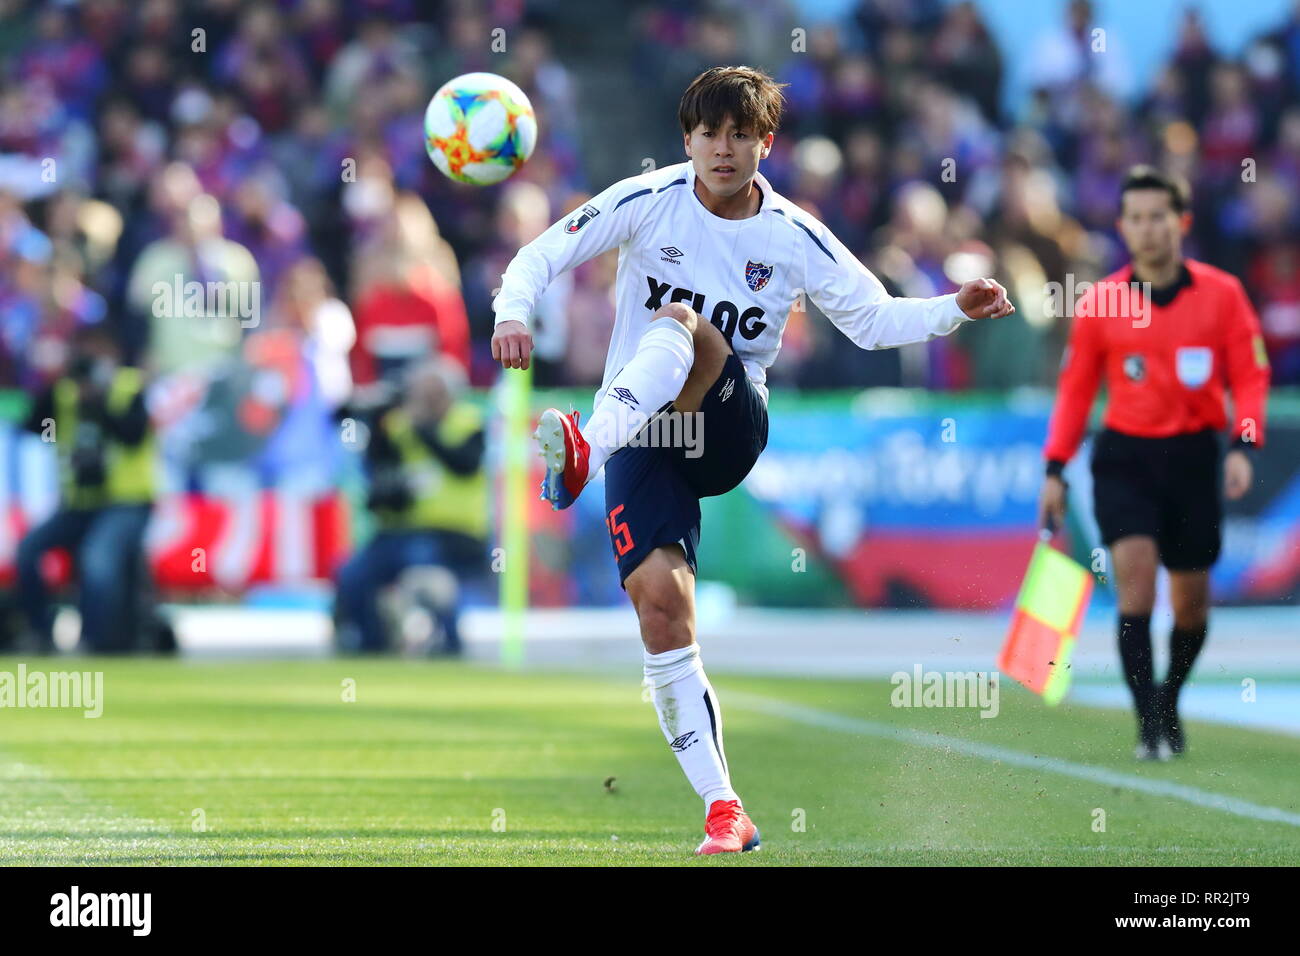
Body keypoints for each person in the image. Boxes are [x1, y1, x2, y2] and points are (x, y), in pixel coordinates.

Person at [491, 66, 1014, 855]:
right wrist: (510, 311)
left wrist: (952, 308)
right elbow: (538, 256)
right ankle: (723, 807)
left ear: (767, 143)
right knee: (661, 608)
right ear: (687, 139)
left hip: (725, 423)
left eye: (741, 134)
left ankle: (581, 458)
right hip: (643, 437)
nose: (723, 149)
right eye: (709, 133)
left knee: (684, 324)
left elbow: (871, 319)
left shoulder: (792, 235)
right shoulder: (646, 199)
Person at [1038, 166, 1271, 761]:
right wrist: (1056, 467)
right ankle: (1148, 726)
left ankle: (1168, 700)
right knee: (1136, 592)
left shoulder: (1222, 295)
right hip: (1126, 458)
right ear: (1122, 226)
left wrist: (1244, 444)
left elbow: (1250, 374)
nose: (1146, 229)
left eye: (1157, 217)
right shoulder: (1102, 302)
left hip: (1194, 458)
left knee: (1191, 604)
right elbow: (1075, 392)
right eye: (1135, 218)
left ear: (1181, 222)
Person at [17, 323, 156, 653]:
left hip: (126, 502)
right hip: (79, 503)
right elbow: (33, 427)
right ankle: (40, 632)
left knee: (98, 559)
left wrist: (102, 401)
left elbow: (132, 438)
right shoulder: (65, 391)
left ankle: (96, 641)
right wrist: (49, 380)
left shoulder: (129, 387)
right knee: (29, 550)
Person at [334, 357, 487, 655]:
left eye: (431, 393)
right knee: (352, 573)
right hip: (402, 530)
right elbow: (380, 474)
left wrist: (421, 429)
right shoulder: (397, 426)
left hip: (455, 533)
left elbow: (463, 464)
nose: (423, 400)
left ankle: (447, 641)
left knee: (423, 567)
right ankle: (373, 644)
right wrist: (377, 418)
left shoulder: (467, 422)